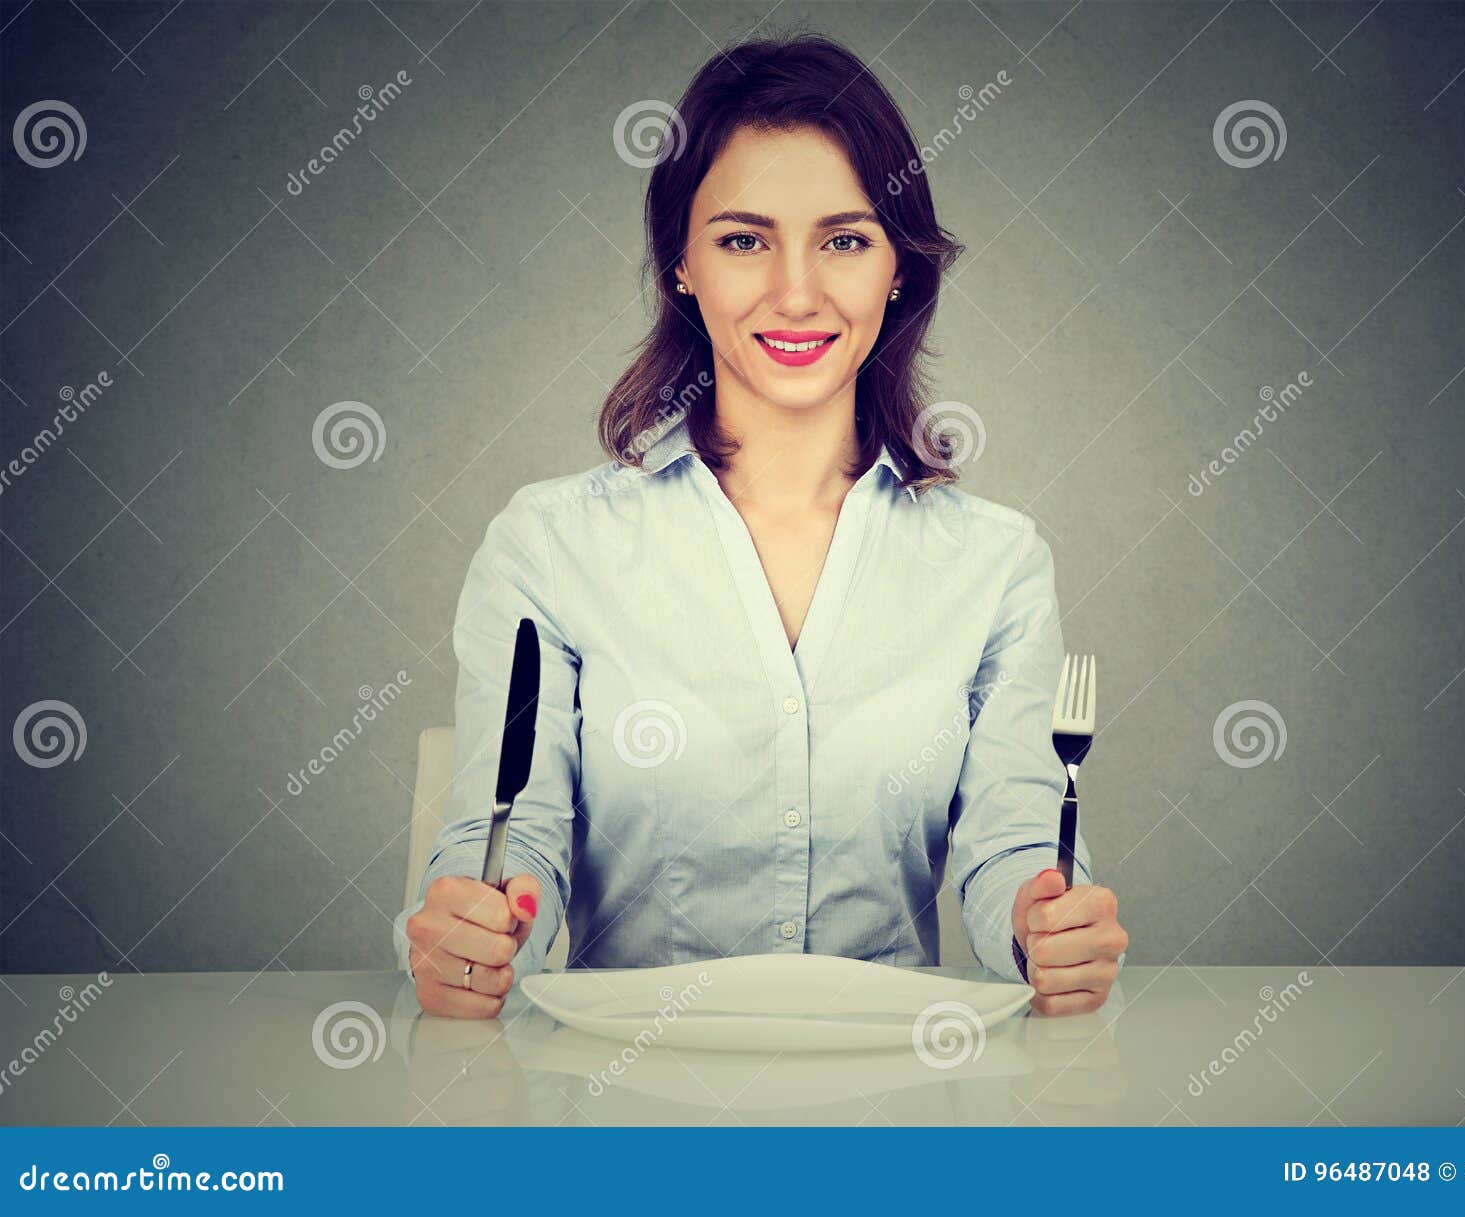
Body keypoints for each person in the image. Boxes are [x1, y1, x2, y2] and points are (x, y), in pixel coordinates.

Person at [396, 31, 1126, 1019]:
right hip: (627, 1104)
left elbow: (1012, 843)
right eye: (743, 239)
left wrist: (1041, 925)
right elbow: (509, 835)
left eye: (844, 239)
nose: (796, 291)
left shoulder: (995, 563)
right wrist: (474, 931)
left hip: (893, 1099)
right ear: (682, 263)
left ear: (898, 270)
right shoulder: (549, 546)